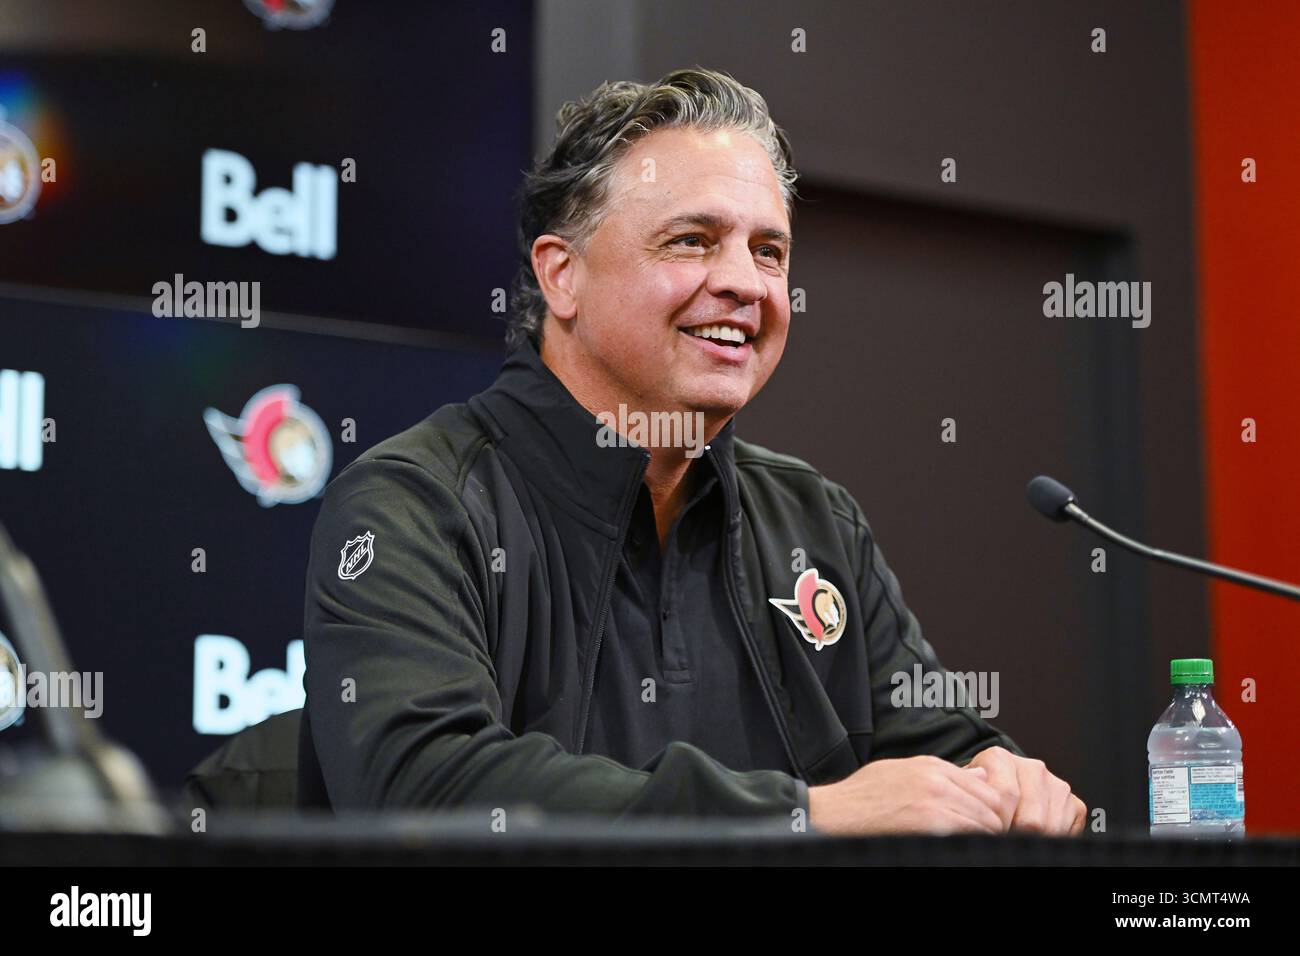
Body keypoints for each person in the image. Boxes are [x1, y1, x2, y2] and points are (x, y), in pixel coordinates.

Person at [298, 67, 1086, 836]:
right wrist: (805, 816)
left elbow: (937, 757)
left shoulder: (815, 518)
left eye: (769, 252)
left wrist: (1001, 778)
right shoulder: (415, 500)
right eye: (692, 241)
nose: (746, 283)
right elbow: (425, 789)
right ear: (561, 276)